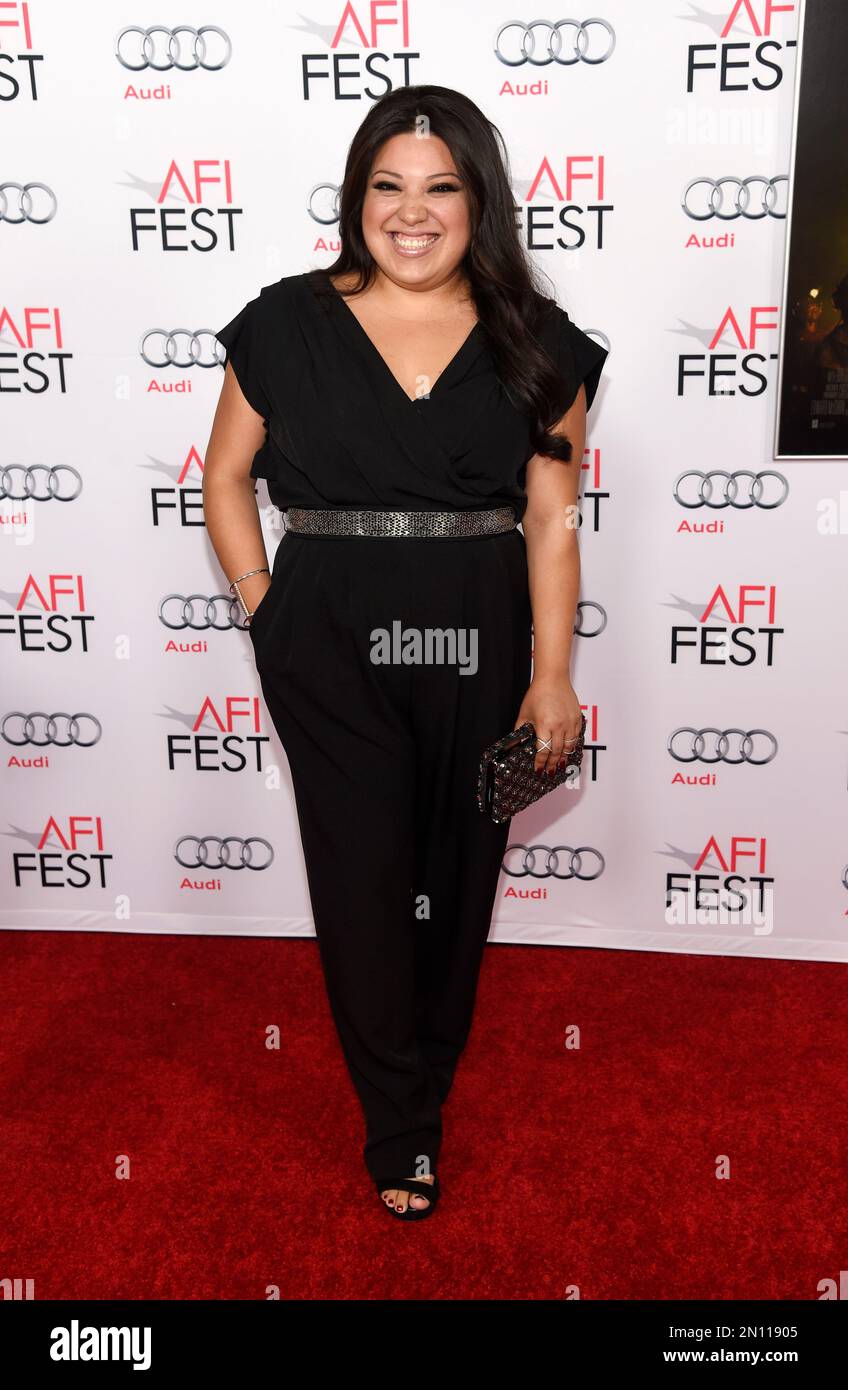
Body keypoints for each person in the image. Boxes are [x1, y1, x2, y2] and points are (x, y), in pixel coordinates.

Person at [203, 84, 607, 1222]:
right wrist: (261, 604)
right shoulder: (283, 322)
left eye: (439, 187)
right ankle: (400, 1122)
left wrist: (551, 670)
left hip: (479, 630)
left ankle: (427, 1067)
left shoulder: (538, 340)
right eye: (387, 186)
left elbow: (551, 518)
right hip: (324, 631)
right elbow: (224, 477)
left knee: (456, 874)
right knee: (364, 878)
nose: (411, 211)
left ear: (478, 200)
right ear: (356, 197)